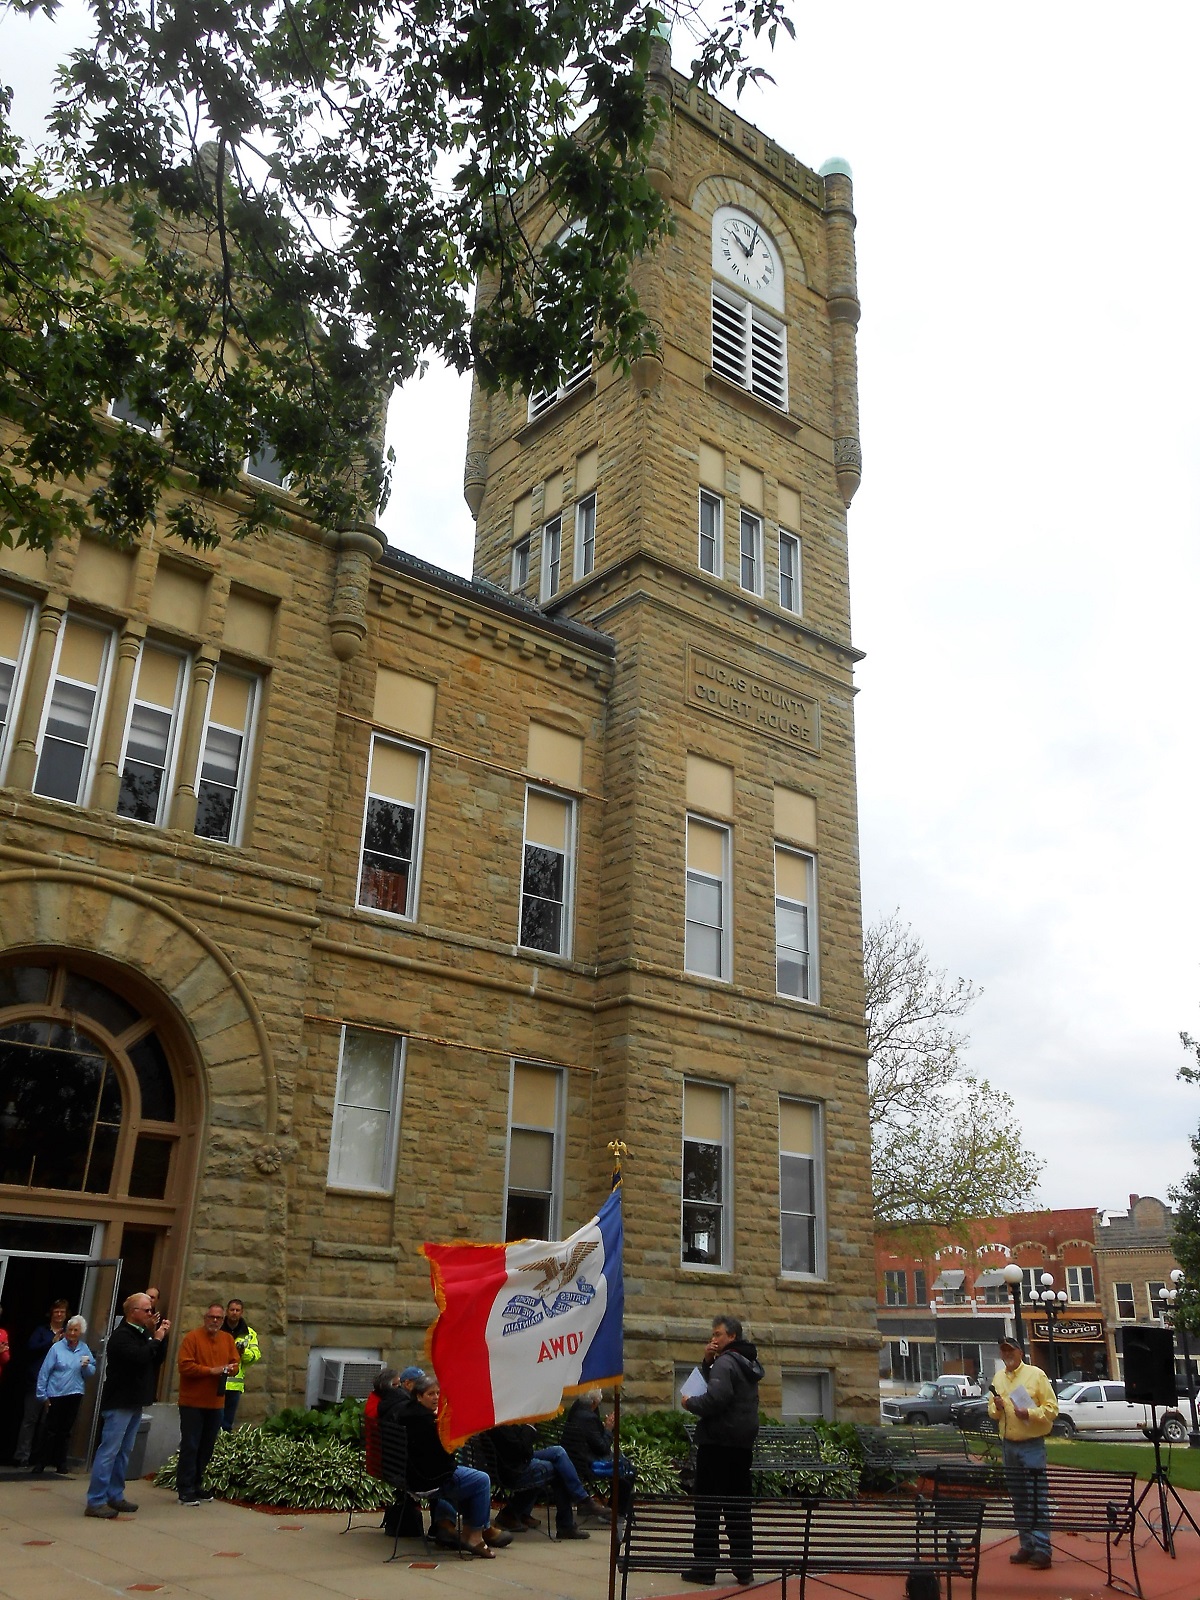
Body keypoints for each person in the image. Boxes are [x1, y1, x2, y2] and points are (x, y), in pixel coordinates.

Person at [679, 1313, 763, 1587]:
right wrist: (707, 1361)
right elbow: (723, 1388)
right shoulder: (747, 1362)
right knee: (738, 1509)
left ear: (732, 1337)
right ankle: (744, 1568)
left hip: (716, 1445)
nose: (713, 1339)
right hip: (741, 1447)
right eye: (713, 1335)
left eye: (718, 1335)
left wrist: (690, 1403)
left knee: (707, 1509)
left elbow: (716, 1397)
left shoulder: (726, 1362)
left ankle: (704, 1568)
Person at [394, 1375, 511, 1558]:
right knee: (481, 1480)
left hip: (411, 1475)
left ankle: (459, 1528)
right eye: (430, 1394)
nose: (435, 1397)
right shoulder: (427, 1422)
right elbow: (444, 1457)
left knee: (468, 1475)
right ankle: (475, 1536)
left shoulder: (407, 1413)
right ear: (418, 1396)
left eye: (438, 1393)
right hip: (428, 1481)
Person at [86, 1292, 171, 1518]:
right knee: (109, 1451)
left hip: (135, 1401)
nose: (151, 1314)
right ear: (133, 1313)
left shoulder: (142, 1335)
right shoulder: (122, 1336)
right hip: (120, 1401)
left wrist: (158, 1336)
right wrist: (155, 1339)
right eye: (147, 1310)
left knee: (124, 1452)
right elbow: (140, 1357)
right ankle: (96, 1500)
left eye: (151, 1310)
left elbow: (155, 1359)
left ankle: (115, 1494)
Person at [987, 1334, 1058, 1571]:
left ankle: (1042, 1548)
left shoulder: (1036, 1375)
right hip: (1008, 1445)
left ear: (1020, 1352)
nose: (1007, 1355)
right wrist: (996, 1408)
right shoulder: (998, 1378)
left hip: (1031, 1445)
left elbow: (1052, 1408)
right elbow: (992, 1413)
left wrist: (1030, 1414)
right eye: (1003, 1351)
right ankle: (1026, 1543)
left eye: (1011, 1350)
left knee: (1036, 1496)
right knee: (1018, 1498)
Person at [489, 1420, 608, 1538]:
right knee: (559, 1469)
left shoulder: (504, 1420)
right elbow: (520, 1450)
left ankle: (582, 1502)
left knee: (558, 1452)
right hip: (514, 1469)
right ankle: (568, 1523)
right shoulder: (499, 1425)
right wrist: (529, 1426)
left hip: (517, 1461)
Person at [176, 1302, 239, 1505]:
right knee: (190, 1445)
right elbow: (185, 1366)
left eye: (218, 1318)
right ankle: (184, 1489)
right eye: (211, 1317)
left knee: (206, 1446)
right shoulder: (192, 1338)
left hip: (216, 1402)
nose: (214, 1321)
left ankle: (196, 1485)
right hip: (192, 1402)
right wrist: (210, 1371)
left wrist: (231, 1369)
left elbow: (235, 1362)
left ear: (223, 1320)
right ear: (205, 1318)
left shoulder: (227, 1339)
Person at [33, 1315, 95, 1474]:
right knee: (50, 1430)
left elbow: (91, 1372)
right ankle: (41, 1462)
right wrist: (42, 1395)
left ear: (80, 1332)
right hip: (56, 1393)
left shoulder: (84, 1349)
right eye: (70, 1330)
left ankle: (61, 1463)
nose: (72, 1333)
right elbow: (44, 1372)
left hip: (74, 1393)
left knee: (66, 1430)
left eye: (76, 1330)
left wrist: (86, 1366)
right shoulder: (57, 1348)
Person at [561, 1389, 635, 1521]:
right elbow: (602, 1448)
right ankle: (616, 1512)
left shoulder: (576, 1409)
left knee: (622, 1463)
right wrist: (608, 1429)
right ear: (594, 1402)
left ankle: (613, 1509)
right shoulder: (589, 1417)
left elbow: (592, 1438)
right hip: (587, 1463)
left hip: (576, 1457)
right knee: (628, 1470)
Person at [15, 1298, 69, 1468]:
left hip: (56, 1384)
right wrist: (50, 1342)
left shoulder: (69, 1333)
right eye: (56, 1311)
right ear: (51, 1313)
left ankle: (40, 1458)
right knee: (30, 1420)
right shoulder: (42, 1331)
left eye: (62, 1312)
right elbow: (31, 1348)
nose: (59, 1315)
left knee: (47, 1424)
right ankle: (22, 1456)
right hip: (36, 1380)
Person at [220, 1299, 261, 1430]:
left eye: (237, 1310)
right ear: (227, 1311)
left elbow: (255, 1356)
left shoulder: (249, 1334)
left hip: (234, 1386)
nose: (234, 1313)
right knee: (211, 1420)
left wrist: (243, 1352)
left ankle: (222, 1447)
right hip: (215, 1382)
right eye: (232, 1310)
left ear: (242, 1313)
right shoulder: (218, 1328)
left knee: (227, 1423)